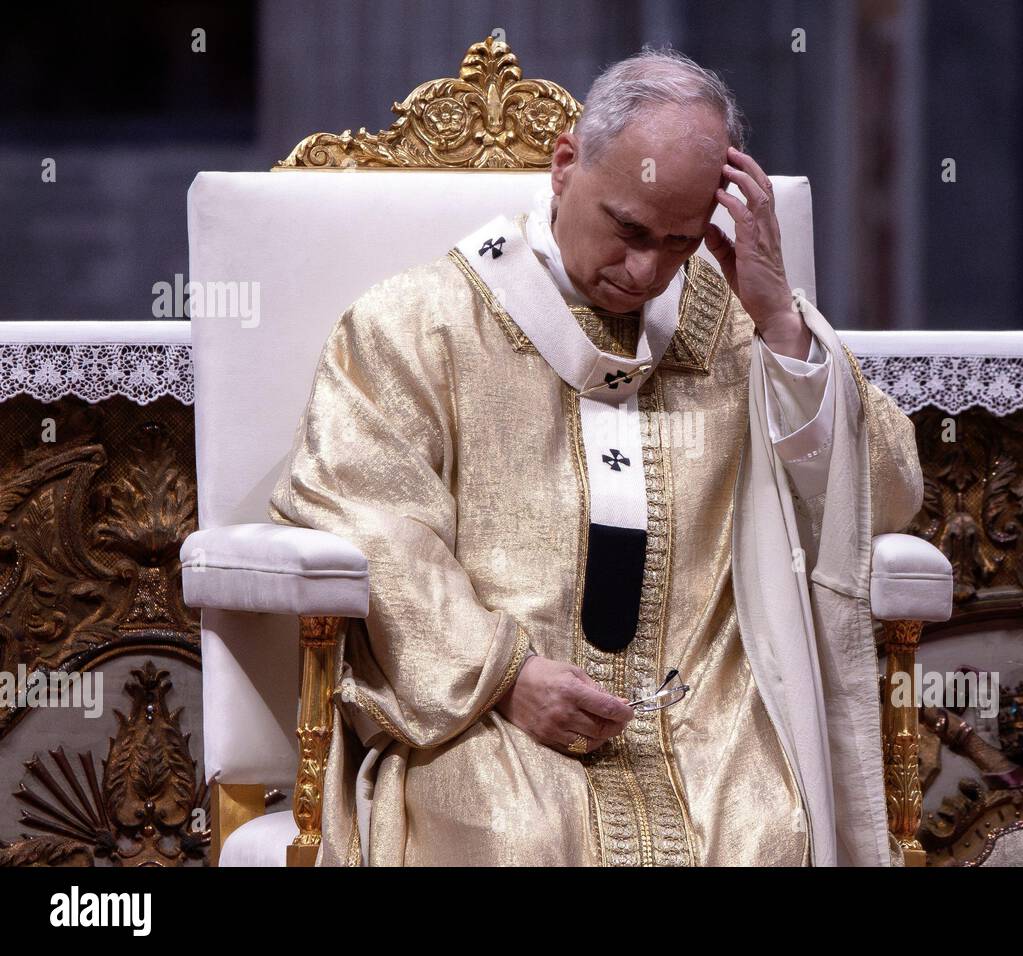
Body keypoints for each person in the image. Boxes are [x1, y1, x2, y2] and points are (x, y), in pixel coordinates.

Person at [268, 46, 923, 866]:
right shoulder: (418, 324)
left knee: (767, 834)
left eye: (680, 242)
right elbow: (370, 518)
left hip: (706, 720)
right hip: (494, 715)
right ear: (565, 164)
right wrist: (505, 676)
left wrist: (783, 323)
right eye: (629, 230)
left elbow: (884, 495)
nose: (646, 272)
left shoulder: (743, 326)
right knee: (514, 838)